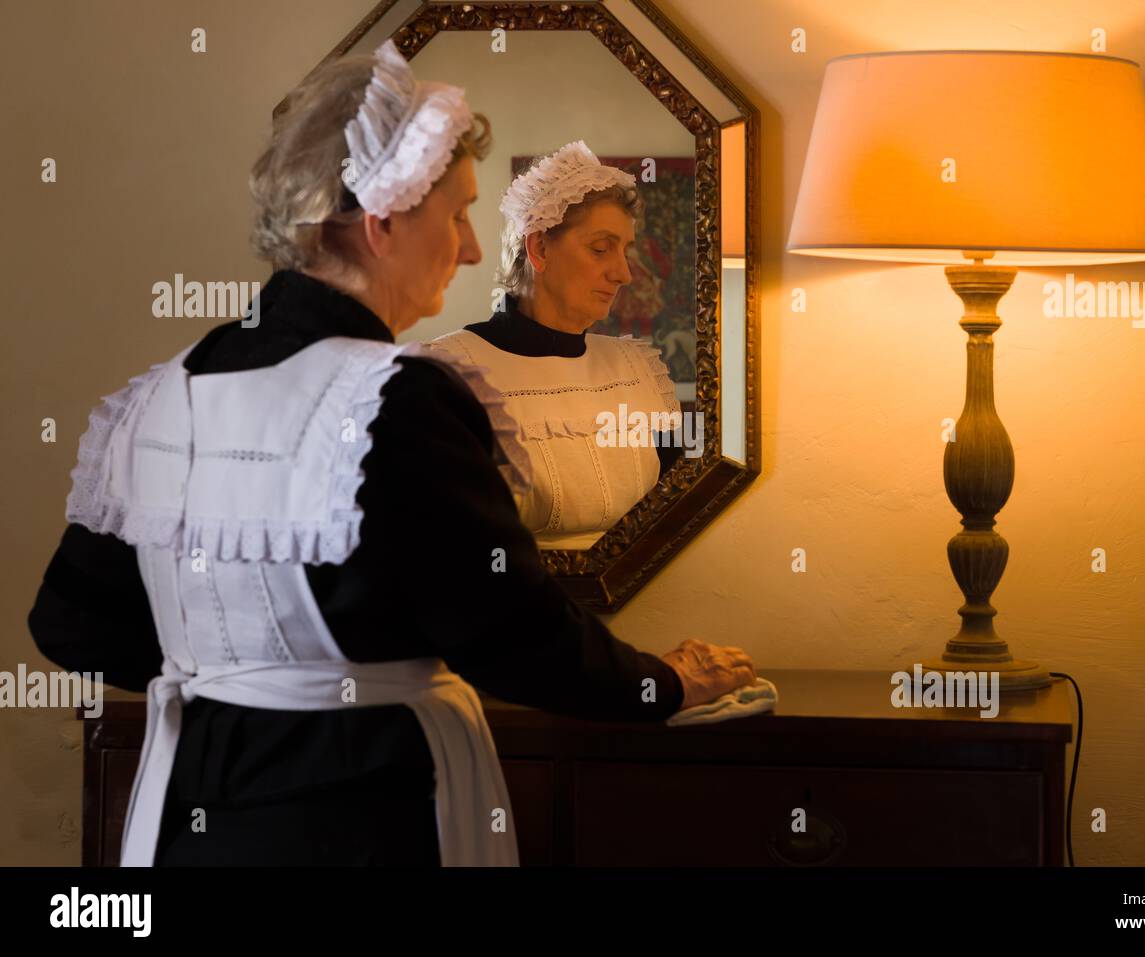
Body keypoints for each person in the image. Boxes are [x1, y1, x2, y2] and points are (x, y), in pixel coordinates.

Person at [27, 39, 754, 867]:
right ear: (381, 224)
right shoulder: (395, 399)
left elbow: (70, 625)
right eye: (457, 215)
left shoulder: (162, 393)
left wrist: (238, 677)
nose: (475, 250)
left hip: (184, 816)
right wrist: (663, 683)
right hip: (357, 816)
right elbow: (510, 633)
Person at [428, 141, 682, 549]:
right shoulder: (451, 372)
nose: (623, 273)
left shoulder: (640, 371)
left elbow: (680, 515)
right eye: (601, 249)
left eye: (625, 250)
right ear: (540, 248)